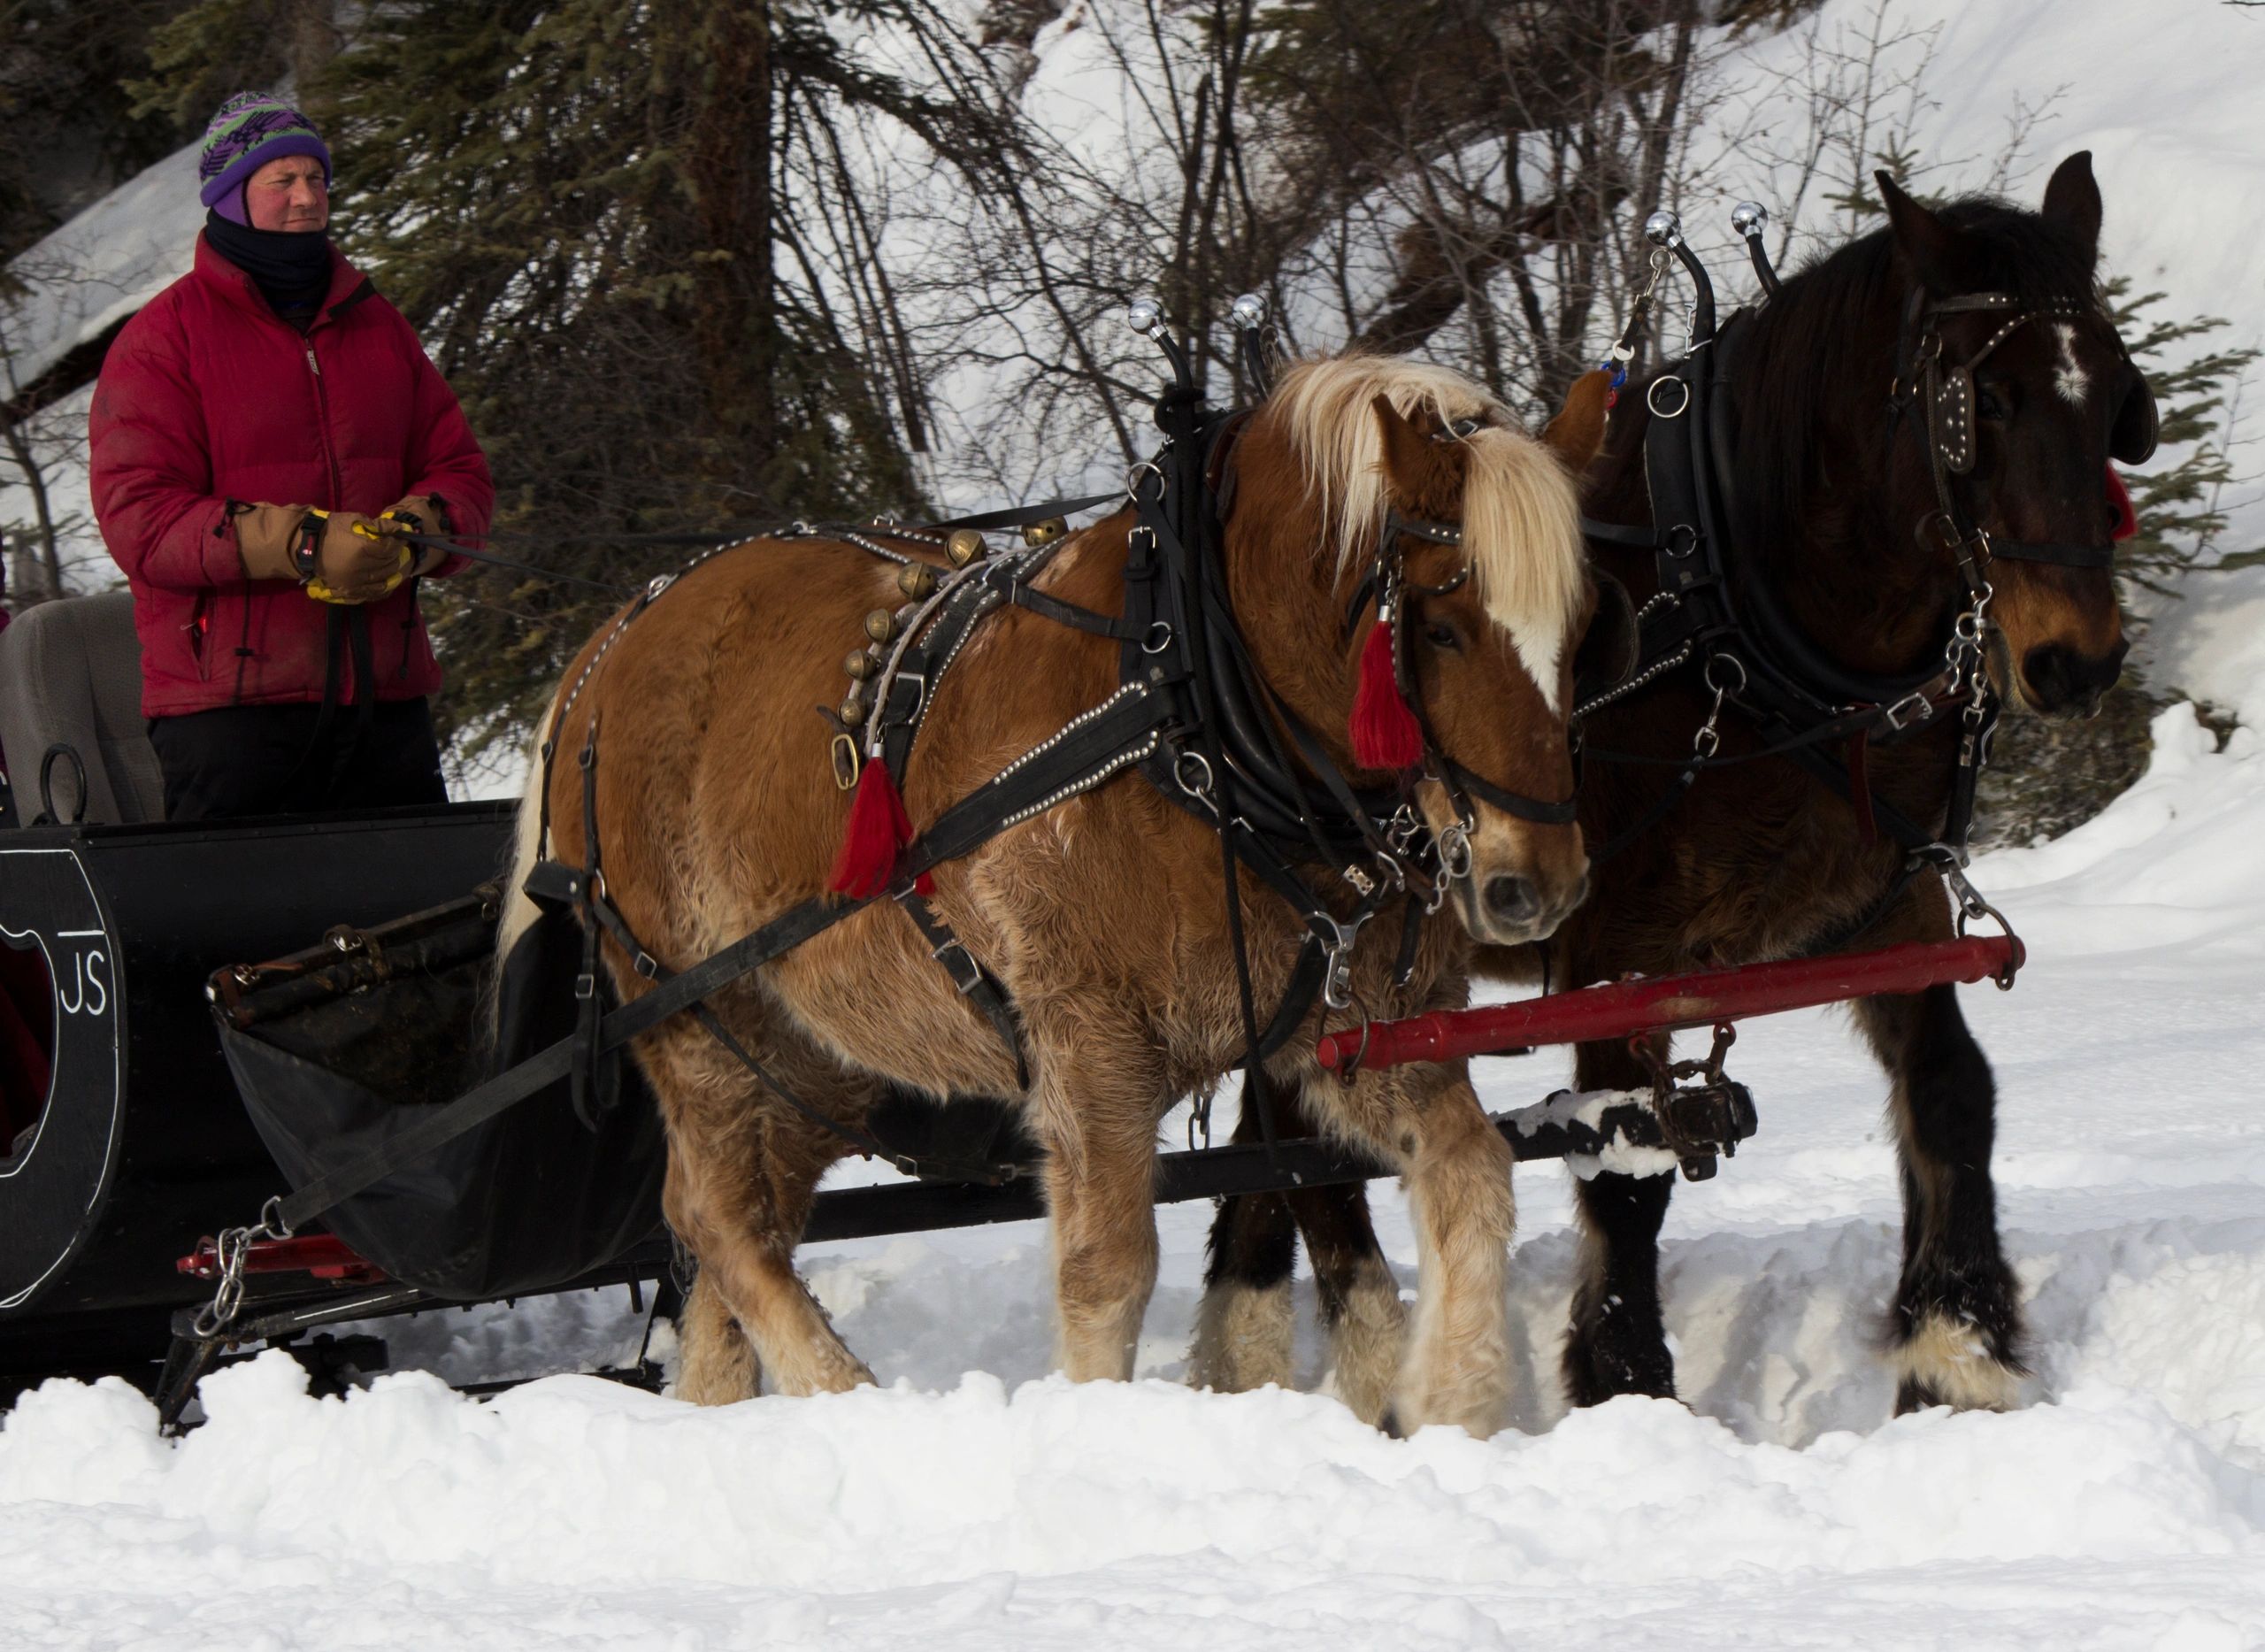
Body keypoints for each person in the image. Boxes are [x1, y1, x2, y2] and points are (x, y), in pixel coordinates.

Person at [88, 92, 493, 822]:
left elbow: (460, 471)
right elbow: (139, 517)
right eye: (283, 181)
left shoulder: (379, 326)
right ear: (231, 197)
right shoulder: (162, 340)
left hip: (384, 703)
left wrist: (416, 532)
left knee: (432, 926)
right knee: (245, 936)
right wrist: (304, 542)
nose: (308, 198)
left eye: (318, 179)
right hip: (230, 720)